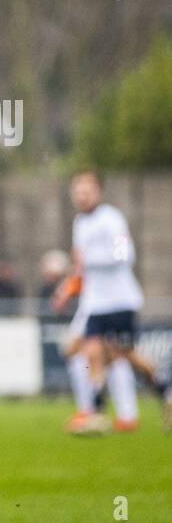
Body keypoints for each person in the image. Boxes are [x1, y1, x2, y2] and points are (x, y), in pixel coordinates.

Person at [54, 171, 170, 435]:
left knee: (125, 355)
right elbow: (81, 268)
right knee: (92, 351)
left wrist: (89, 259)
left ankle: (165, 390)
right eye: (78, 191)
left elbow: (124, 255)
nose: (82, 196)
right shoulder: (80, 223)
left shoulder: (111, 219)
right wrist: (68, 288)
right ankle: (95, 411)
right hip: (96, 302)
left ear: (99, 192)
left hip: (120, 299)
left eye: (87, 191)